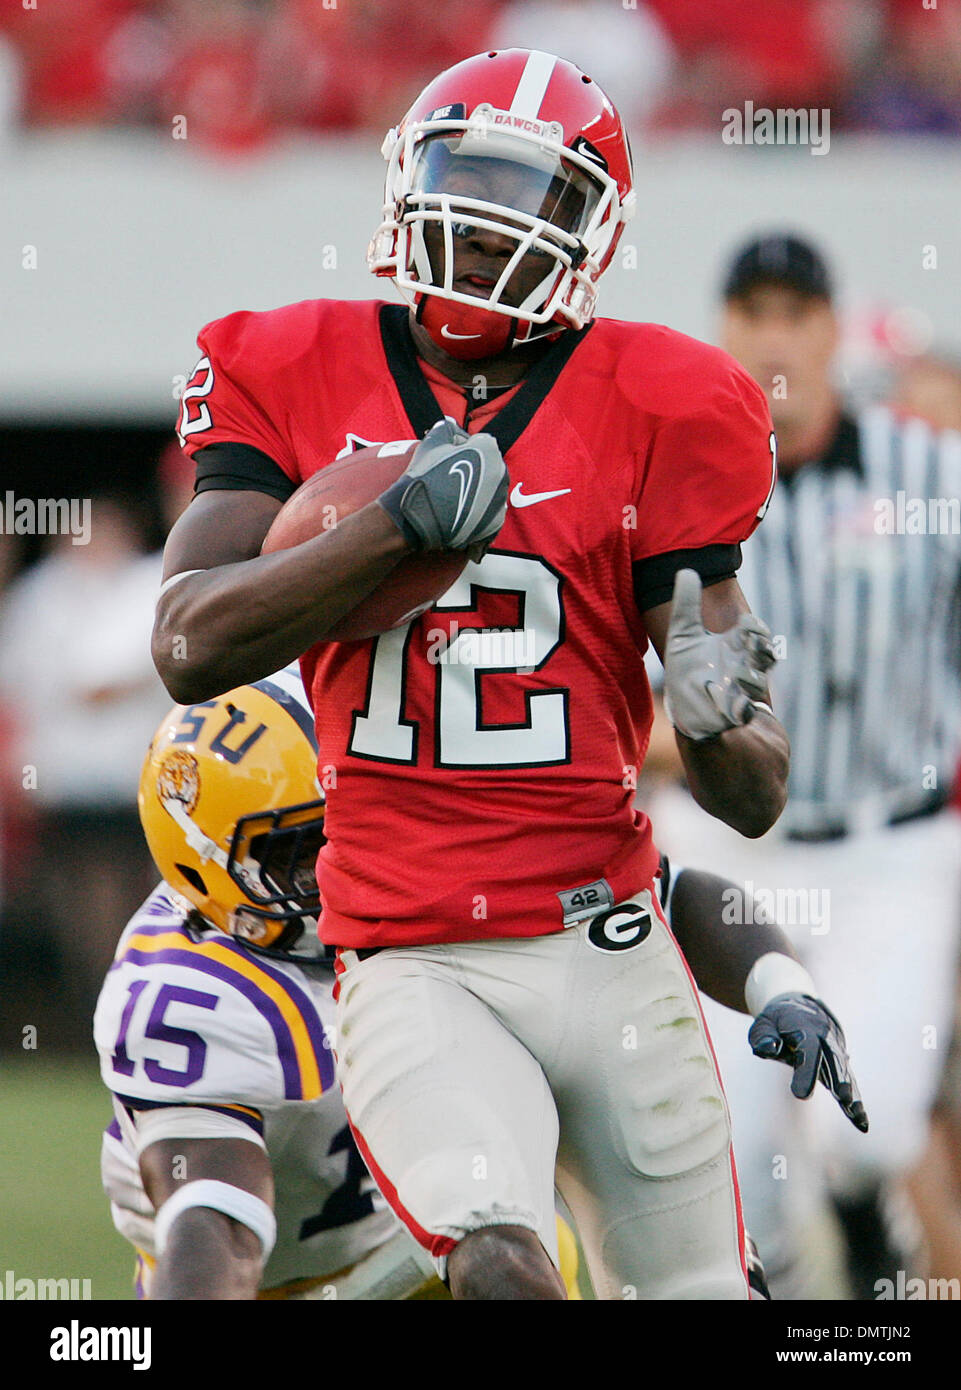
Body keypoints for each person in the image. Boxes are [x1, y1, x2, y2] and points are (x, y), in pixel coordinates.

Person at [151, 49, 793, 1300]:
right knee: (500, 1262)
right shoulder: (285, 363)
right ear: (406, 179)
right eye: (466, 177)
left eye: (530, 194)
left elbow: (753, 796)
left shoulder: (669, 402)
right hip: (410, 946)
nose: (488, 220)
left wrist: (718, 723)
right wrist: (392, 530)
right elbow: (188, 646)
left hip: (604, 934)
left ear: (593, 229)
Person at [94, 668, 863, 1300]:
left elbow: (667, 891)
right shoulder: (194, 997)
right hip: (293, 1286)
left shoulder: (428, 854)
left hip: (429, 1229)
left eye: (351, 814)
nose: (343, 853)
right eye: (303, 847)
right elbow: (217, 1230)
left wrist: (779, 984)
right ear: (207, 868)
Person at [647, 231, 961, 1297]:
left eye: (795, 313)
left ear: (831, 329)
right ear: (723, 331)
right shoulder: (677, 480)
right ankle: (787, 1295)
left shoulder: (930, 469)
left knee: (868, 1130)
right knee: (729, 1153)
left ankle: (860, 1213)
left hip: (891, 844)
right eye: (752, 313)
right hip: (734, 849)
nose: (774, 336)